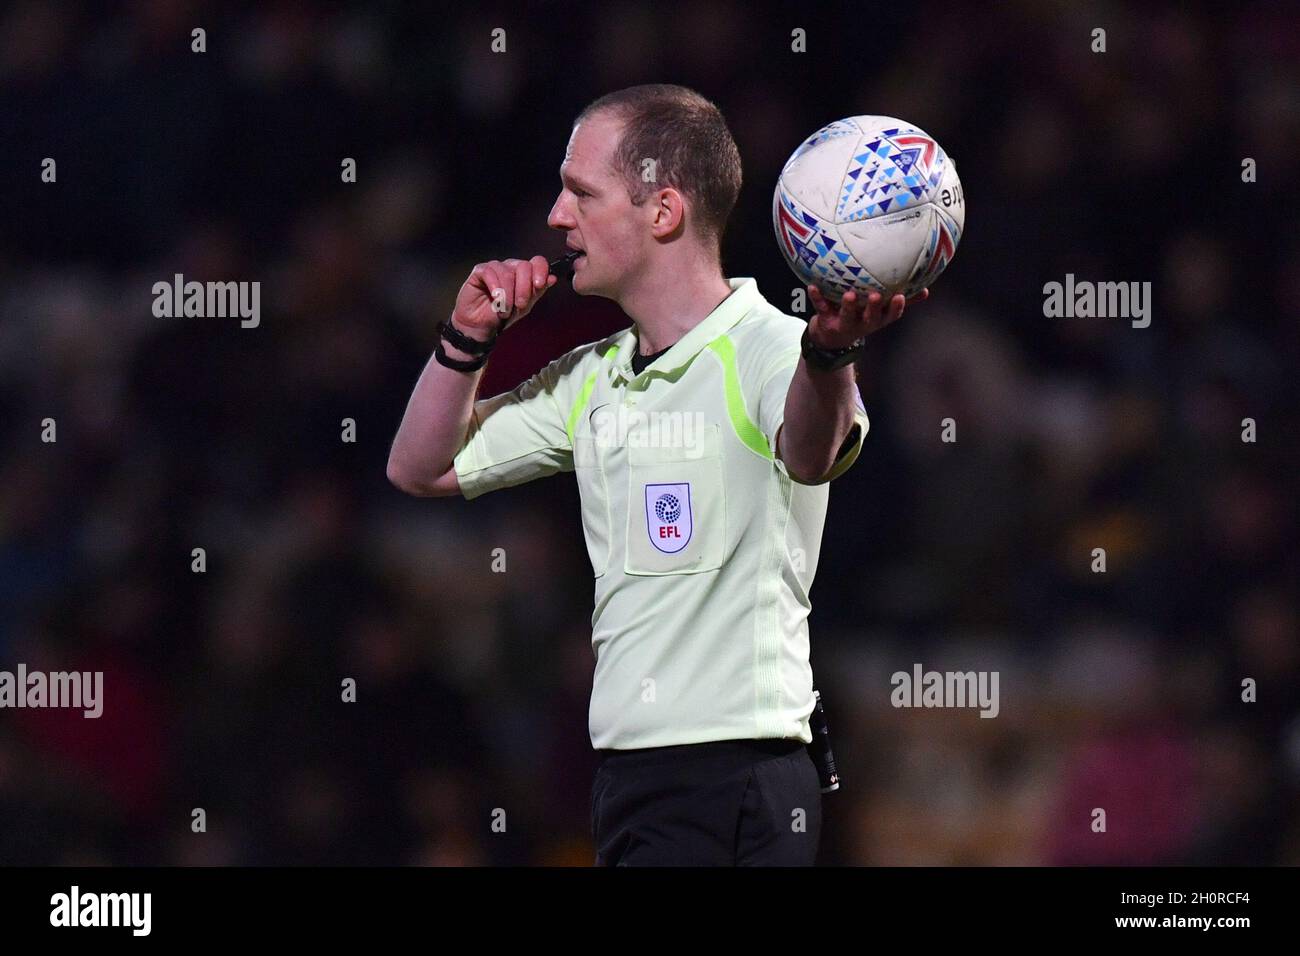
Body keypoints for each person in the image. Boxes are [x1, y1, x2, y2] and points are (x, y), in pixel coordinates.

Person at [387, 84, 925, 865]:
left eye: (580, 192)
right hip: (631, 778)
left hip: (737, 768)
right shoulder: (589, 379)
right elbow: (418, 468)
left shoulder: (774, 348)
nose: (556, 216)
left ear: (663, 211)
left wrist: (831, 356)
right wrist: (467, 338)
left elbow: (811, 454)